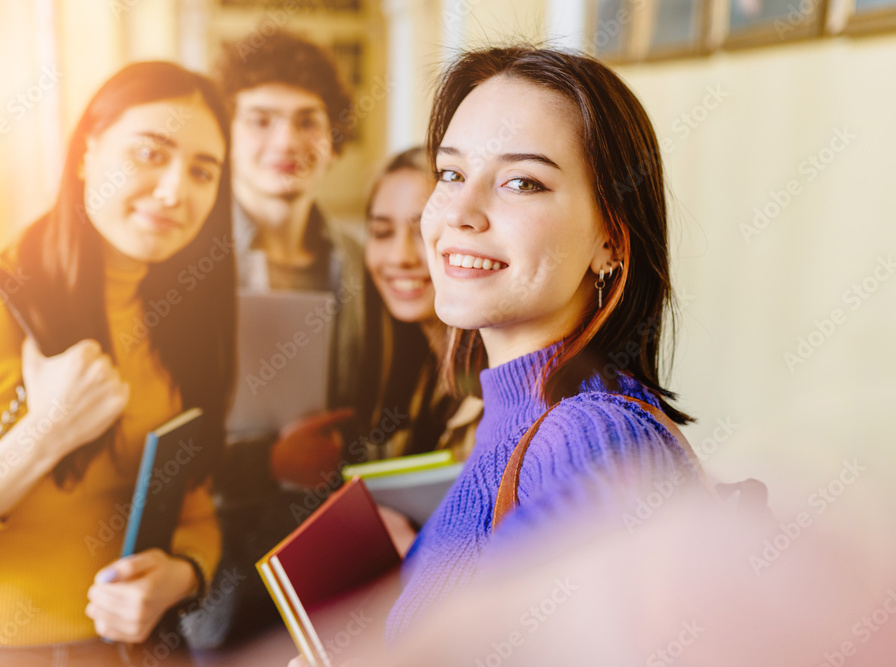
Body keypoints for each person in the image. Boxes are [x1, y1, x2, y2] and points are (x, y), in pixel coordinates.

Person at [0, 61, 235, 663]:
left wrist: (179, 576)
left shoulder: (183, 328)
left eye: (202, 171)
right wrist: (41, 438)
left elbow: (197, 513)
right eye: (150, 153)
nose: (174, 189)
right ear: (86, 152)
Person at [376, 45, 704, 642]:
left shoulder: (587, 438)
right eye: (450, 173)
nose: (461, 213)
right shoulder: (511, 413)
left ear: (611, 239)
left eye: (521, 182)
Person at [186, 31, 366, 650]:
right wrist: (264, 463)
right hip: (209, 578)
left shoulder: (365, 263)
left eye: (306, 121)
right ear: (228, 136)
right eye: (260, 120)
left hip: (333, 567)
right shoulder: (184, 266)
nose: (286, 142)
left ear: (333, 136)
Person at [354, 146, 481, 466]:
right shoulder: (420, 376)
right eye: (382, 233)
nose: (400, 257)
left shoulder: (495, 394)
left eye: (422, 231)